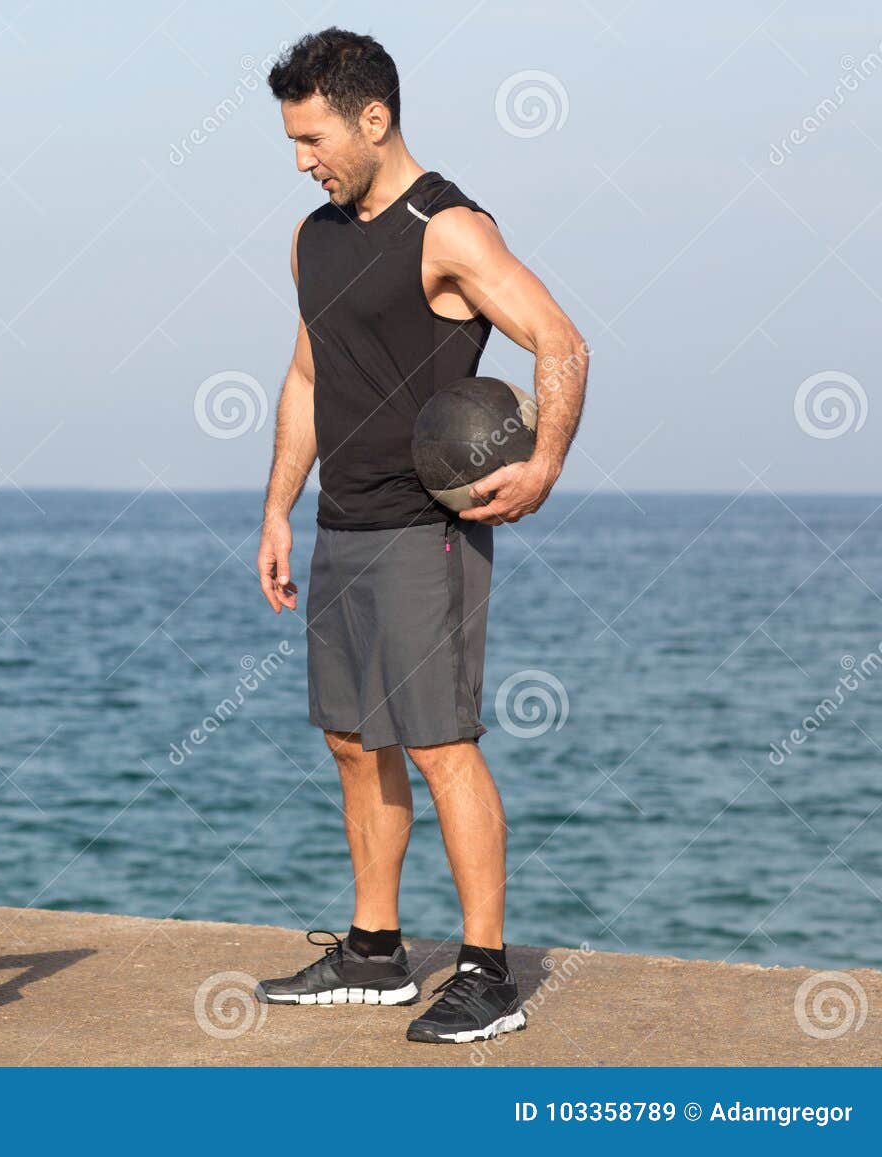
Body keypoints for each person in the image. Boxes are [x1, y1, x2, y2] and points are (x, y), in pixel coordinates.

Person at [252, 29, 589, 1043]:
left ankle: (486, 972)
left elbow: (559, 340)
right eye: (291, 140)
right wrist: (276, 505)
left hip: (422, 531)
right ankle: (374, 949)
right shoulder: (313, 239)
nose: (302, 157)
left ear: (373, 117)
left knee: (442, 745)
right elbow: (310, 376)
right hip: (339, 524)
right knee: (353, 741)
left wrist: (545, 463)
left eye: (313, 136)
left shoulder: (447, 229)